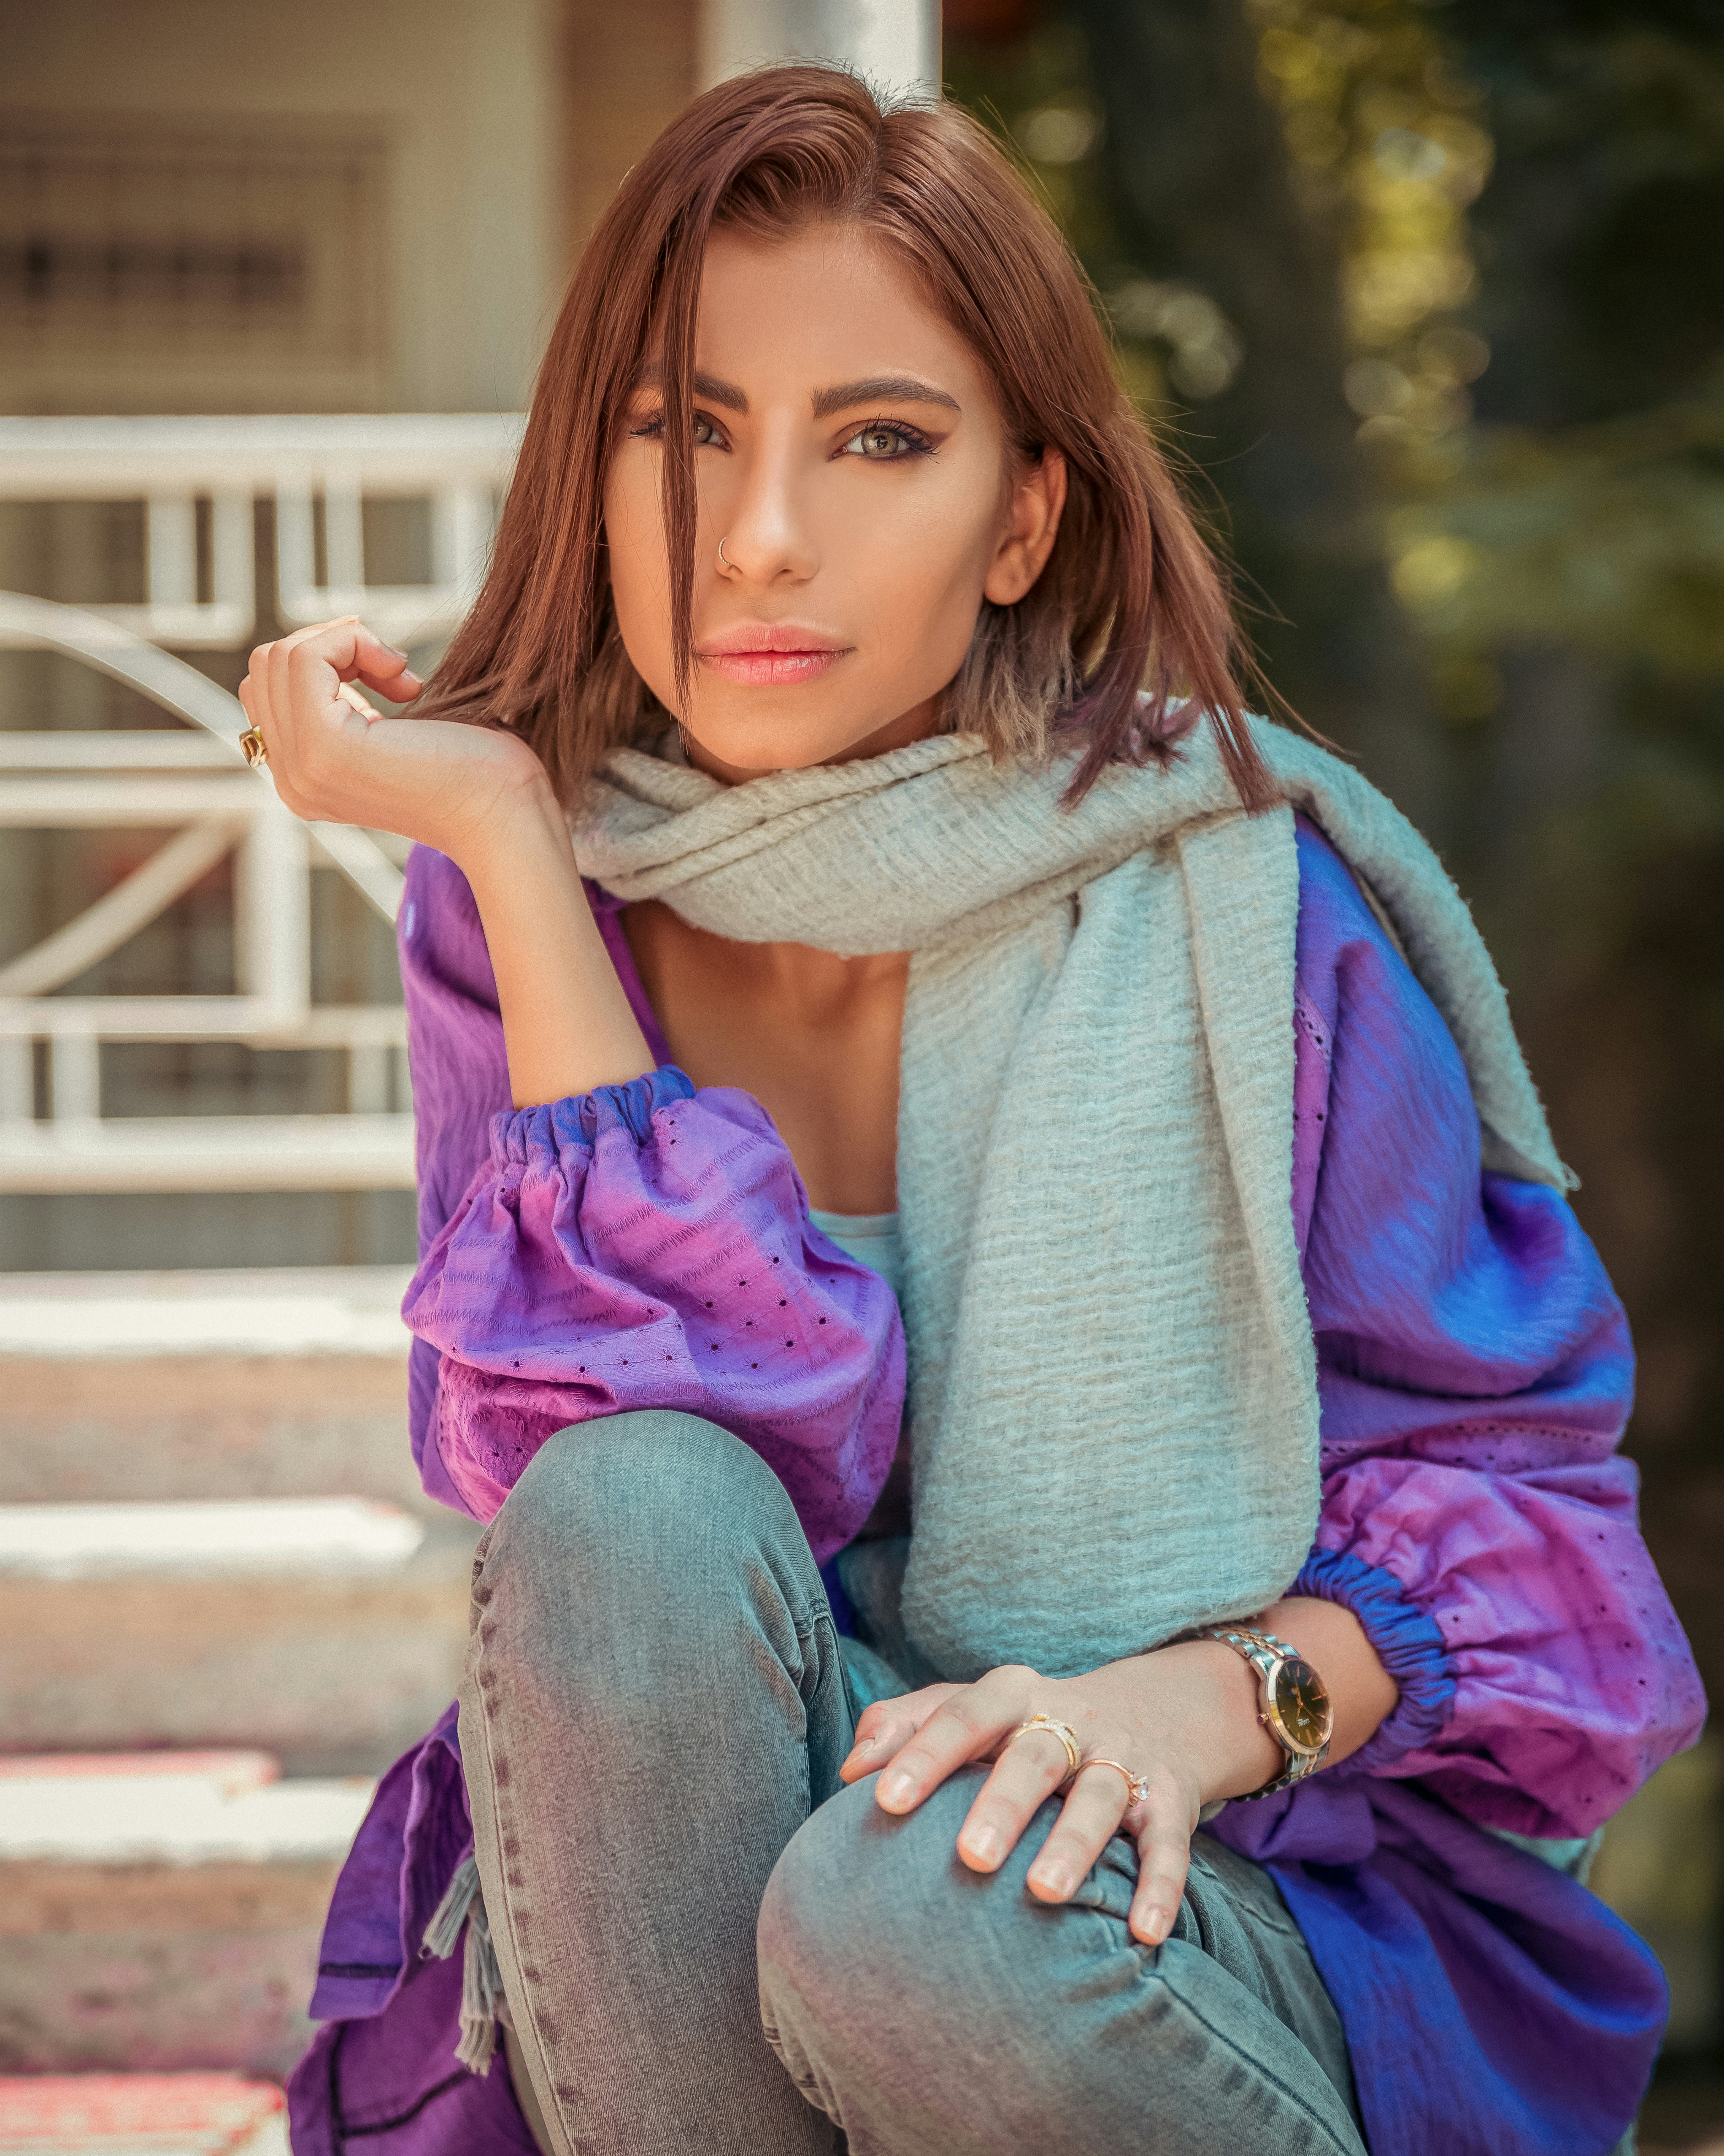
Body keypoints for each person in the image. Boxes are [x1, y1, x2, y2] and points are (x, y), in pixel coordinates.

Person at [254, 66, 1701, 2156]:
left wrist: (1181, 1715)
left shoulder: (1247, 913)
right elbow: (623, 1512)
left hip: (1213, 1900)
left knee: (908, 1907)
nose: (756, 538)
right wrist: (498, 831)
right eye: (683, 434)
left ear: (1022, 515)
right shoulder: (535, 899)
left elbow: (1535, 1541)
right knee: (624, 1509)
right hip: (722, 1921)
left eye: (878, 442)